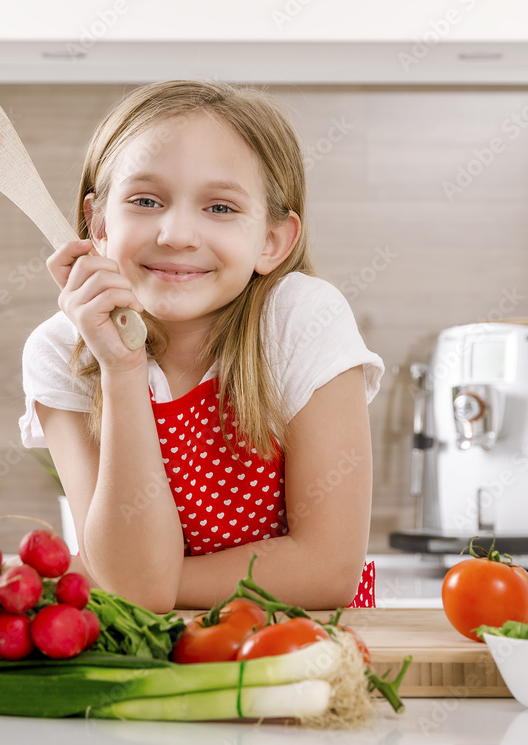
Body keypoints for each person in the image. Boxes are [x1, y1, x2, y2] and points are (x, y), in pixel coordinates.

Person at [20, 80, 384, 613]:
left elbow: (326, 570)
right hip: (151, 661)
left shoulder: (301, 319)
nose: (176, 234)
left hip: (298, 651)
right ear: (96, 223)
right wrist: (121, 369)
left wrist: (144, 585)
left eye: (219, 208)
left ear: (272, 241)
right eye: (145, 200)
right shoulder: (63, 352)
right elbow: (130, 587)